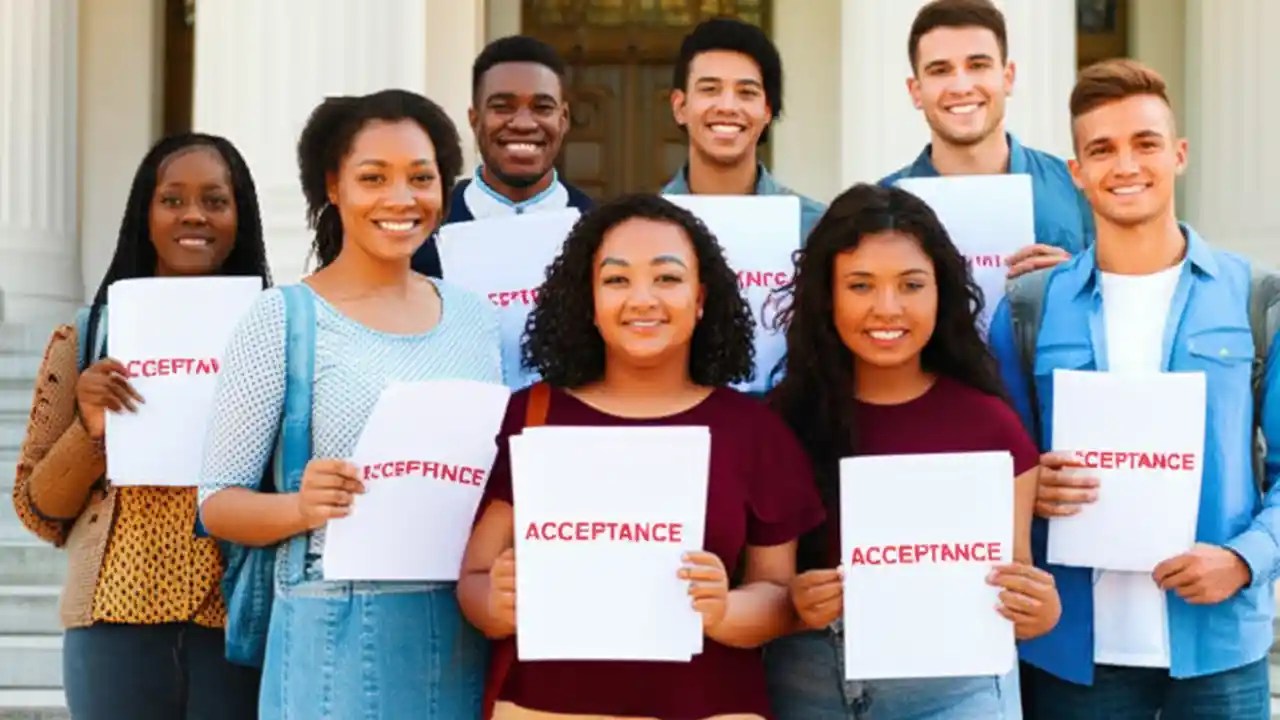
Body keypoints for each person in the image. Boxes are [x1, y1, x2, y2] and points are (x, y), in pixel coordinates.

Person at [456, 193, 826, 719]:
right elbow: (473, 577)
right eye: (617, 279)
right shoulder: (534, 414)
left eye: (667, 278)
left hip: (710, 708)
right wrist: (496, 602)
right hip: (546, 709)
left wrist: (725, 610)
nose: (642, 298)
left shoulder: (754, 430)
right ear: (589, 299)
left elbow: (780, 594)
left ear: (701, 299)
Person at [198, 89, 503, 718]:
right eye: (374, 178)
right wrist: (300, 507)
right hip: (332, 625)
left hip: (464, 623)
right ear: (333, 186)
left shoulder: (475, 318)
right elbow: (218, 504)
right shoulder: (282, 319)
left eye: (422, 178)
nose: (402, 198)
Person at [989, 59, 1276, 719]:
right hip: (1071, 655)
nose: (1125, 165)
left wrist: (1242, 559)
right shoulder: (1029, 308)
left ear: (1178, 154)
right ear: (1077, 172)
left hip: (1218, 648)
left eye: (1145, 143)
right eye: (1102, 149)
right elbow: (995, 465)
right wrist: (1035, 486)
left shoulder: (1258, 297)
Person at [763, 183, 1061, 719]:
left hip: (955, 687)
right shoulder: (783, 421)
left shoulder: (991, 426)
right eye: (860, 285)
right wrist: (794, 602)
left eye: (911, 285)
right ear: (827, 295)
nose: (887, 308)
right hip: (810, 680)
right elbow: (770, 588)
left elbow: (1015, 577)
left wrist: (1038, 608)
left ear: (941, 292)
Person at [11, 133, 268, 719]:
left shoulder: (277, 334)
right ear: (144, 215)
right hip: (113, 621)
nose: (194, 215)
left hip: (234, 620)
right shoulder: (84, 339)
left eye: (215, 200)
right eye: (172, 199)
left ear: (240, 215)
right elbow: (37, 508)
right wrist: (91, 430)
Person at [879, 0, 1093, 278]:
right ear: (915, 91)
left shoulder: (1078, 190)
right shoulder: (881, 206)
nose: (961, 86)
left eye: (978, 65)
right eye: (940, 70)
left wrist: (1077, 280)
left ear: (1008, 78)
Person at [411, 34, 594, 278]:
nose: (523, 124)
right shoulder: (423, 230)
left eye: (542, 108)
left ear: (564, 120)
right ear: (474, 119)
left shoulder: (598, 230)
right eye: (502, 107)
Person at [662, 17, 826, 242]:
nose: (727, 107)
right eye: (710, 89)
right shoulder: (640, 227)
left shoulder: (816, 230)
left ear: (767, 111)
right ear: (680, 106)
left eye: (747, 92)